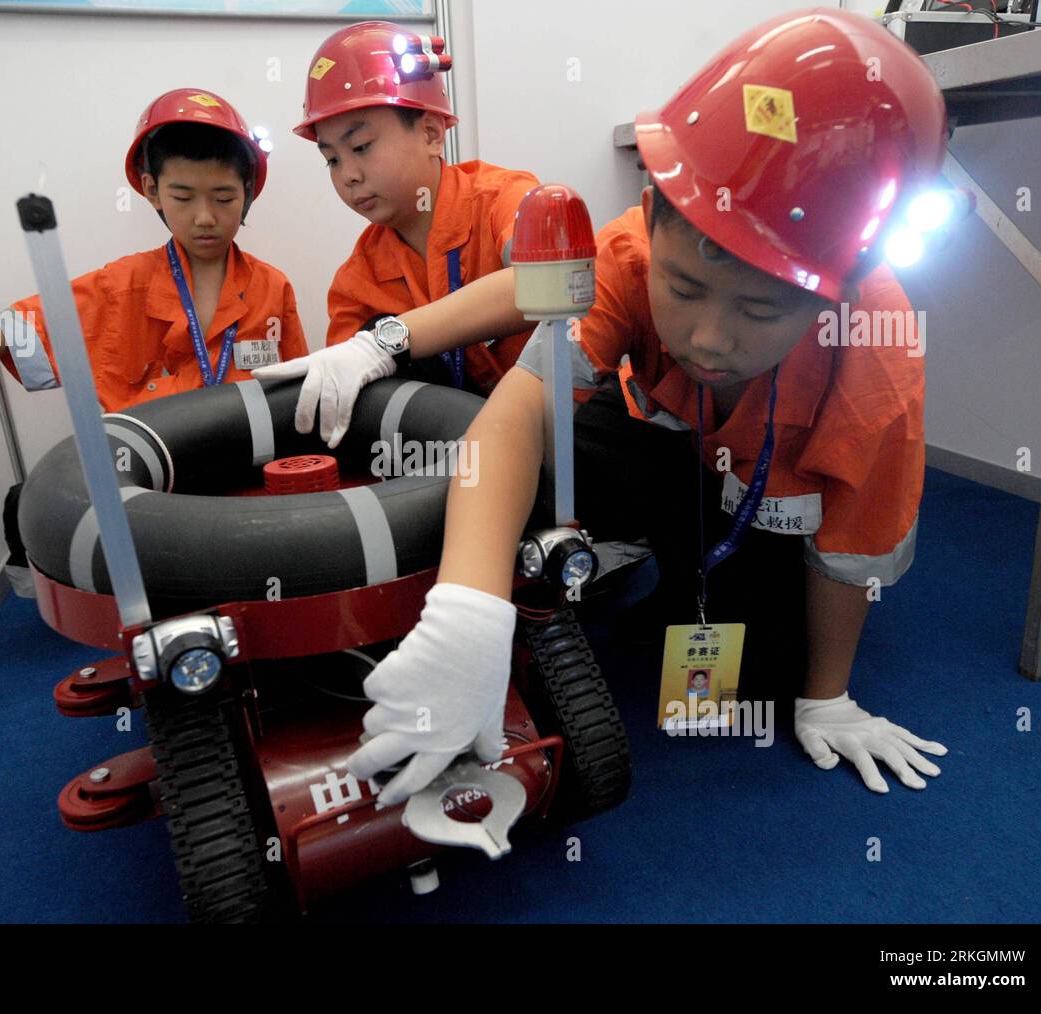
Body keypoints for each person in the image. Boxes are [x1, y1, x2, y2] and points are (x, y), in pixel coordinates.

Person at [346, 8, 953, 805]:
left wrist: (826, 696)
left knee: (759, 681)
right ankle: (628, 571)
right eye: (685, 287)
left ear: (835, 294)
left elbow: (852, 546)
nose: (709, 337)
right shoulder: (627, 253)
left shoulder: (875, 361)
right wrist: (468, 610)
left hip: (776, 523)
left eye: (761, 313)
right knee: (566, 437)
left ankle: (701, 598)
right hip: (679, 464)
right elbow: (519, 410)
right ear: (651, 214)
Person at [0, 88, 308, 594]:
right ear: (151, 190)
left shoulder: (272, 287)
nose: (205, 217)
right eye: (183, 197)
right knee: (33, 502)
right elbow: (27, 323)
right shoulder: (121, 285)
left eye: (223, 198)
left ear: (248, 193)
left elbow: (295, 392)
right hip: (146, 484)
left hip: (239, 479)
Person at [254, 21, 541, 449]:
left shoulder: (505, 200)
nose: (349, 176)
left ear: (430, 132)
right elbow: (360, 410)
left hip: (567, 434)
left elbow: (541, 284)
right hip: (453, 460)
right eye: (331, 160)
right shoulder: (357, 282)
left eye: (362, 147)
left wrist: (389, 341)